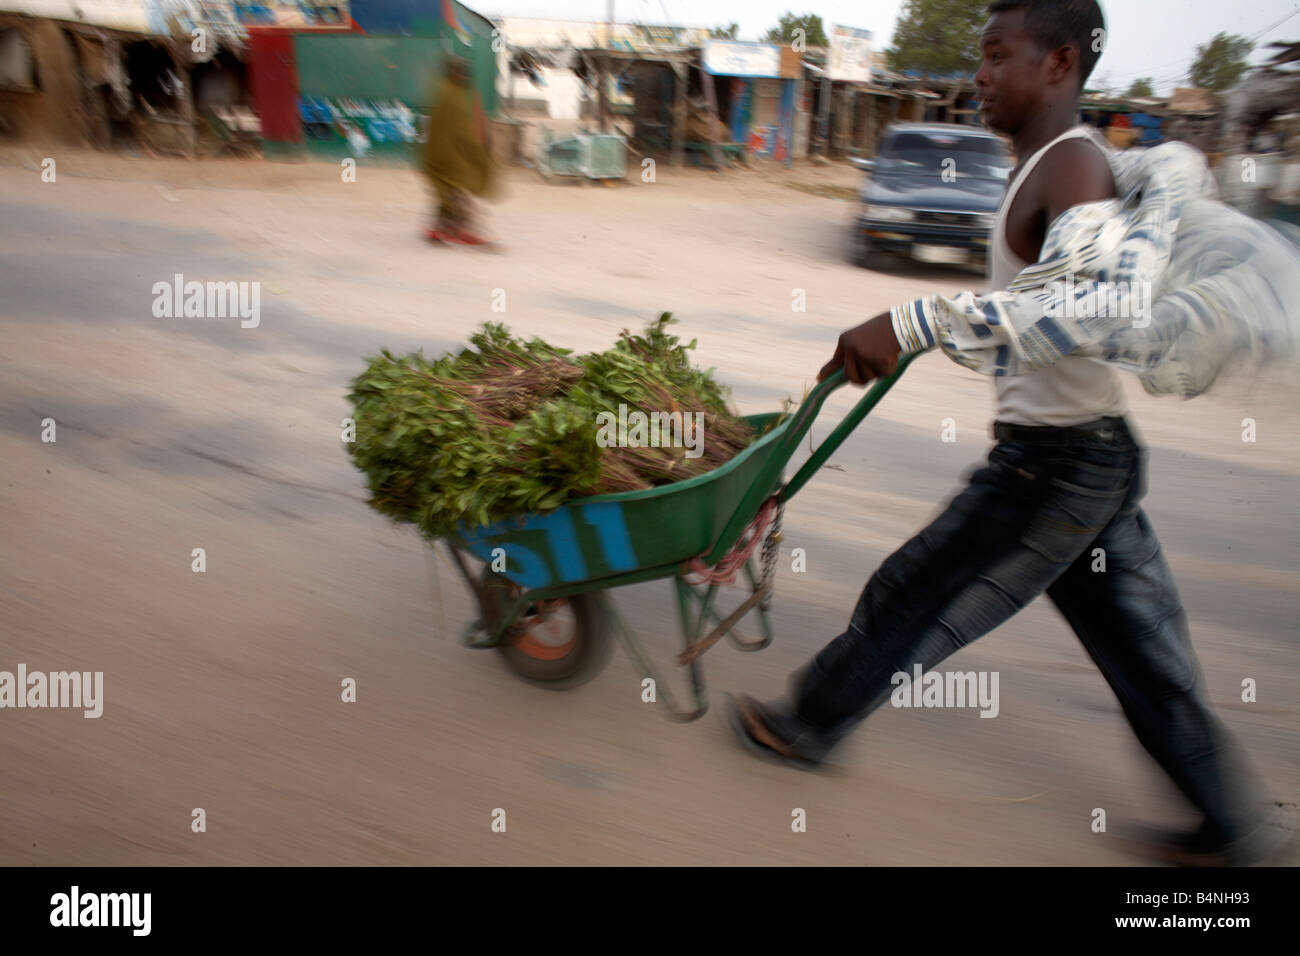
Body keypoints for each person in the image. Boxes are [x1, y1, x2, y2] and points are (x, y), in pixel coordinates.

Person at [728, 0, 1286, 866]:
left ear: (1059, 63)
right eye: (979, 57)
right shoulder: (1050, 165)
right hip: (1087, 456)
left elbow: (1083, 307)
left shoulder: (1071, 170)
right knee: (1139, 648)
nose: (979, 76)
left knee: (918, 591)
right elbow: (1045, 302)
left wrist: (911, 322)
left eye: (997, 55)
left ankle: (812, 723)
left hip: (1053, 468)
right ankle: (1230, 822)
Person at [421, 53, 498, 245]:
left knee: (449, 193)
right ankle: (460, 229)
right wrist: (479, 154)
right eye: (462, 72)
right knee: (458, 192)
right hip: (452, 158)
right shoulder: (455, 97)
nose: (464, 76)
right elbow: (461, 132)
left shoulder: (442, 91)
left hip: (437, 156)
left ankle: (443, 229)